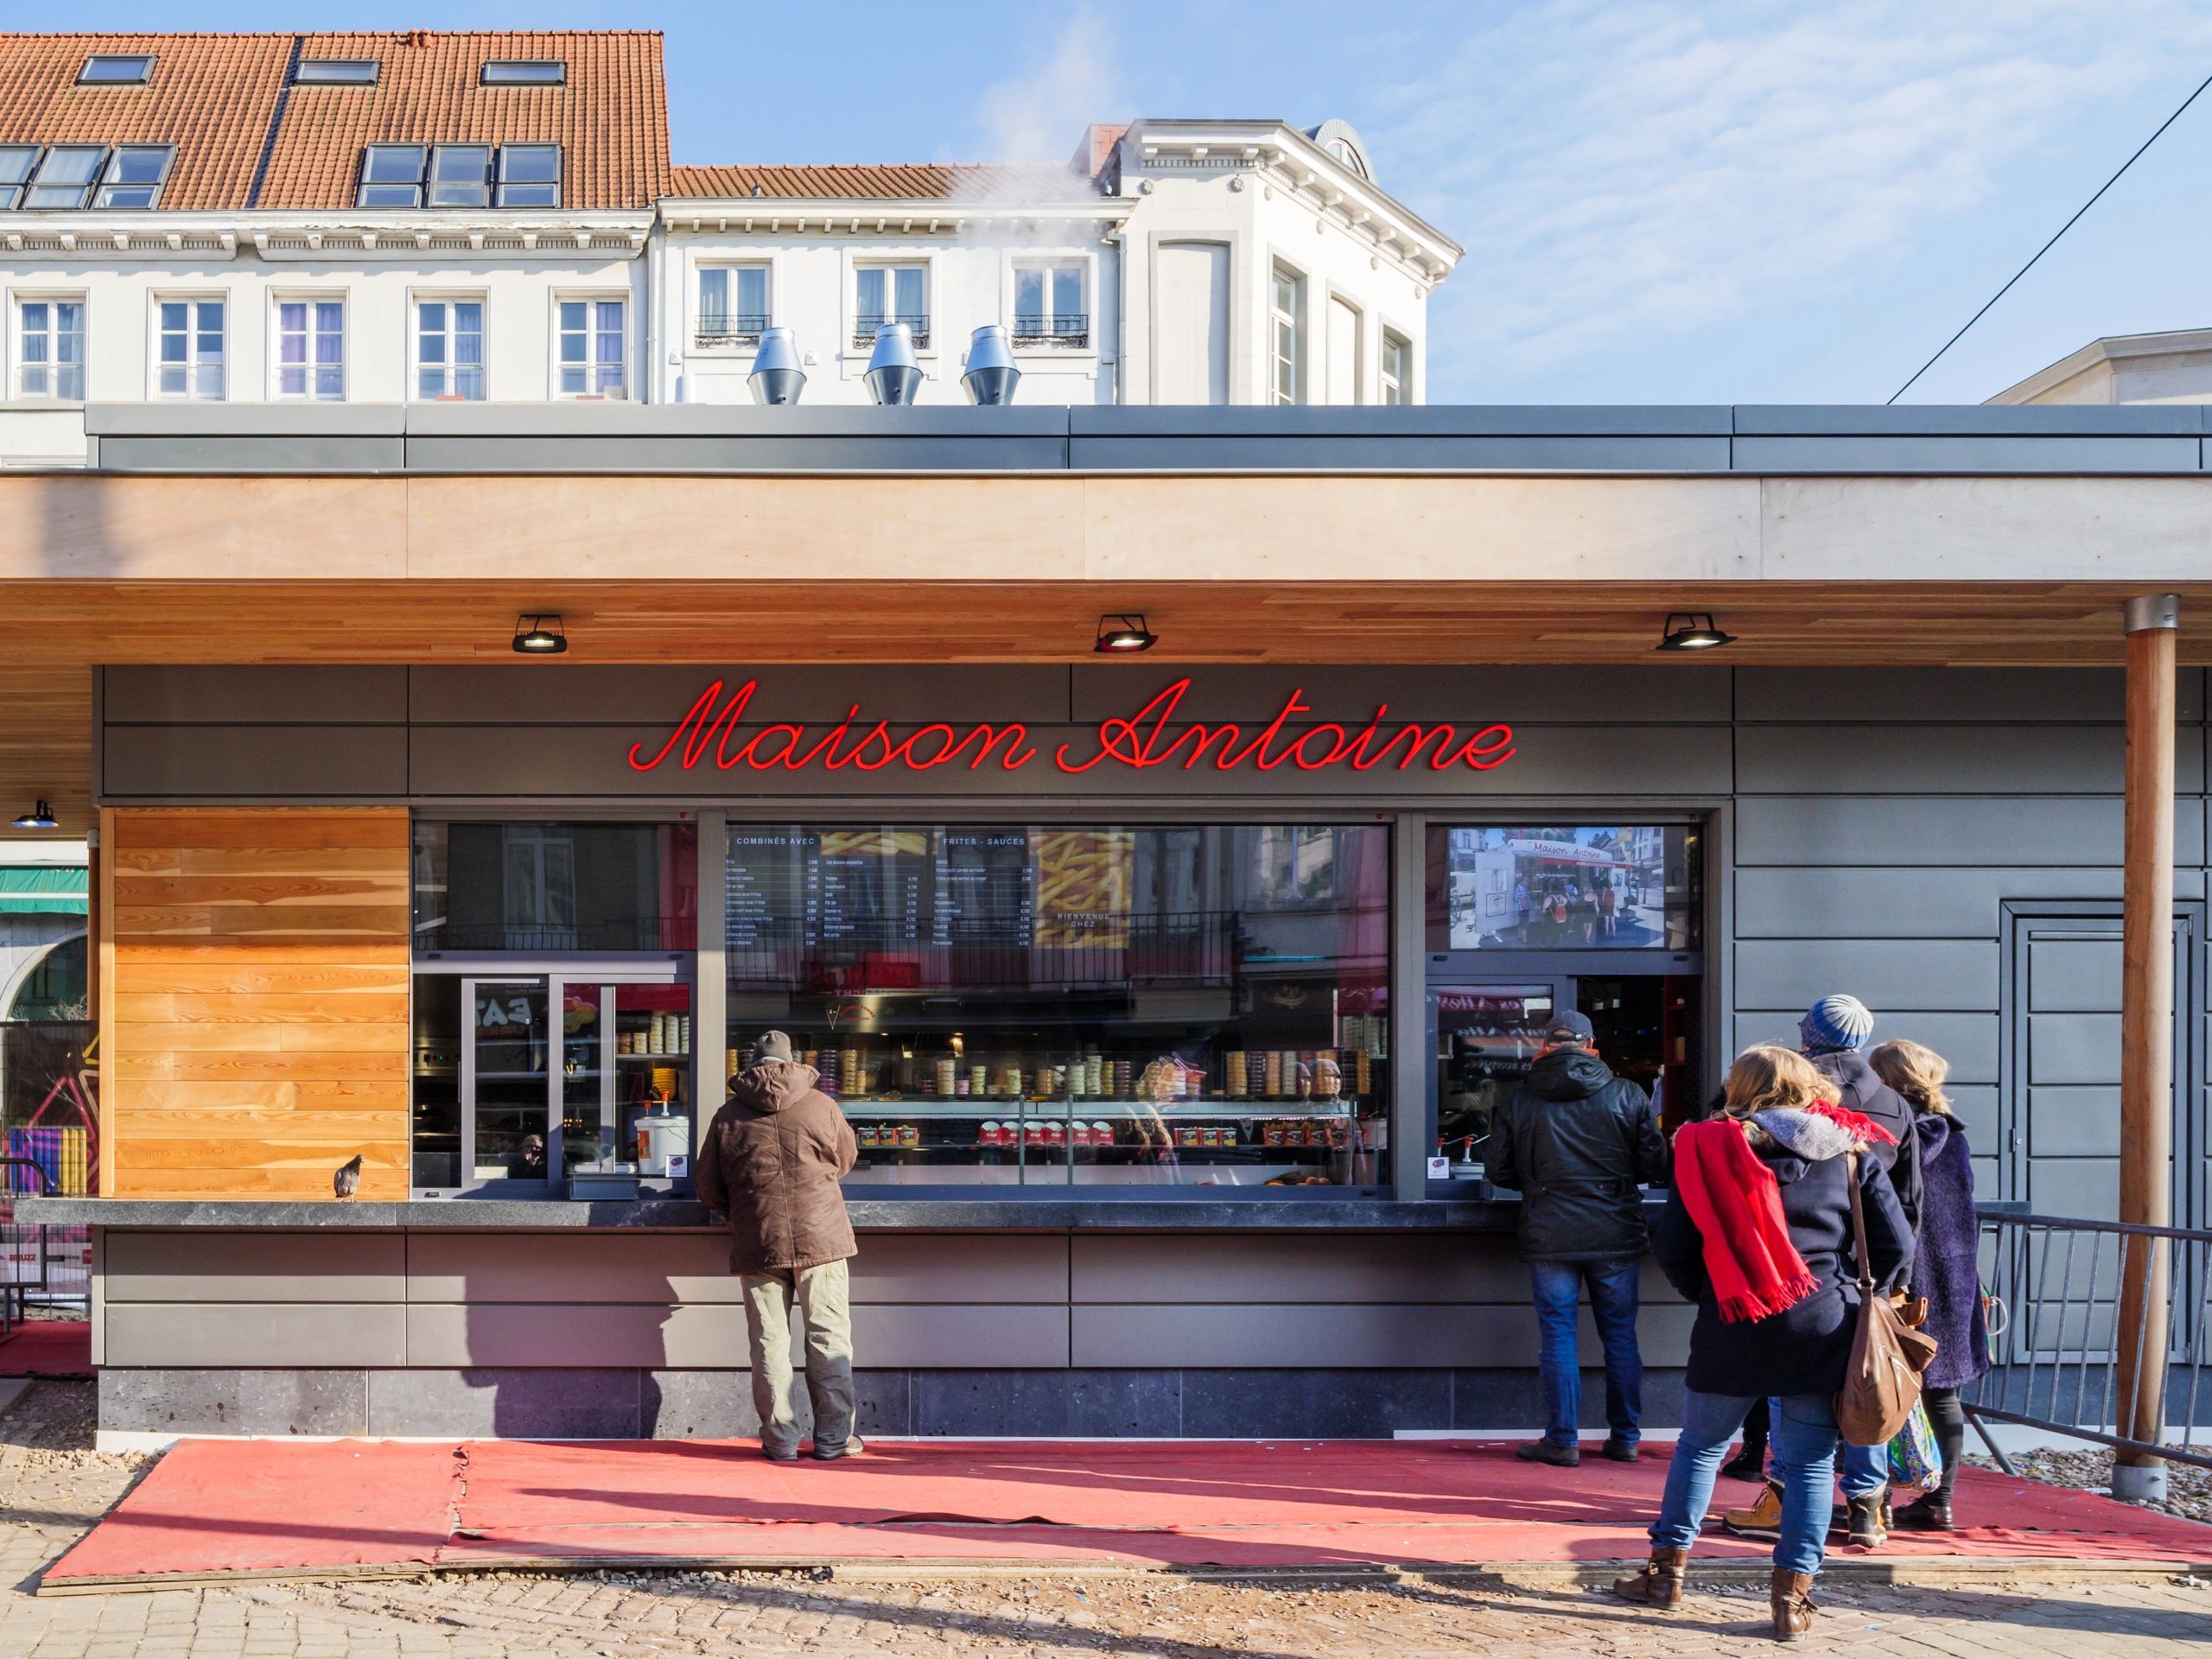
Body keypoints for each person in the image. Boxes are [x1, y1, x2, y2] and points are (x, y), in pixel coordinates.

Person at [1617, 1046, 1911, 1641]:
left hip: (1732, 1321)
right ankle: (1791, 1601)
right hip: (1821, 1324)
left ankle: (1665, 1574)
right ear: (1808, 1088)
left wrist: (1720, 1289)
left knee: (1700, 1448)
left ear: (1740, 1089)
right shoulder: (1850, 1152)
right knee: (1805, 1466)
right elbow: (1896, 1249)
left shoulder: (1706, 1151)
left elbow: (1671, 1245)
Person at [1484, 1009, 1669, 1467]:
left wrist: (1540, 1185)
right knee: (1621, 1338)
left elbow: (1497, 1170)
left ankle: (1562, 1440)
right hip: (1615, 1232)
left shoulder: (1519, 1101)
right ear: (1591, 1047)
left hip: (1549, 1231)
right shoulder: (1628, 1094)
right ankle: (1625, 1437)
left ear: (1544, 1047)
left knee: (1558, 1336)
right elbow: (1654, 1166)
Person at [694, 1030, 862, 1462]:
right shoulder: (822, 1105)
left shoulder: (727, 1116)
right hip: (821, 1237)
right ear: (793, 1062)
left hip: (759, 1239)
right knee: (828, 1338)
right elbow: (845, 1159)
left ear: (752, 1065)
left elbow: (708, 1189)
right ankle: (833, 1439)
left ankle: (782, 1440)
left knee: (768, 1342)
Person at [1870, 1039, 1989, 1530]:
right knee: (1944, 1392)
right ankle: (1941, 1499)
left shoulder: (1898, 1136)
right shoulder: (1953, 1136)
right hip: (1954, 1272)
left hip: (1910, 1272)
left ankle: (1872, 1499)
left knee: (1878, 1382)